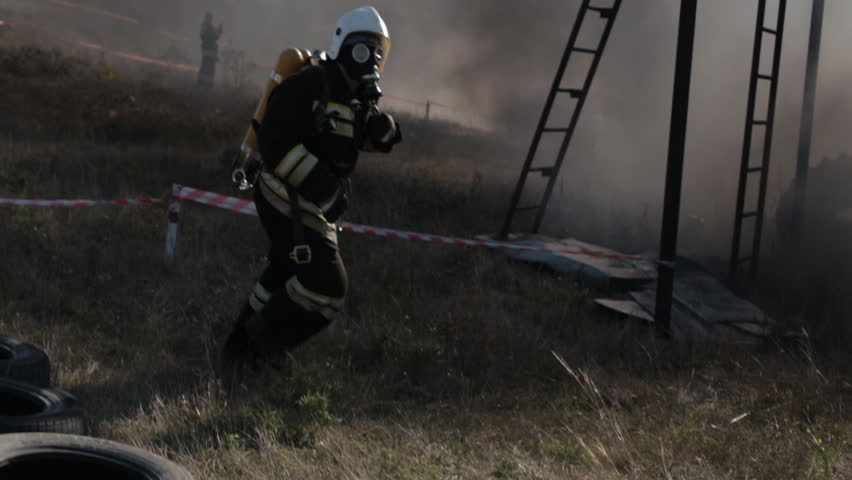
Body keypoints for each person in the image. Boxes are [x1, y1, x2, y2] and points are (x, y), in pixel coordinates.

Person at [220, 6, 402, 377]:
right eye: (364, 49)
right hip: (283, 194)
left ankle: (237, 351)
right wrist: (324, 187)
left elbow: (343, 140)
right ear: (346, 47)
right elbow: (275, 140)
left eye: (377, 52)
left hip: (309, 201)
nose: (371, 59)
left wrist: (384, 132)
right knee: (326, 283)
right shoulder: (311, 83)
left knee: (284, 270)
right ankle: (262, 351)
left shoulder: (354, 98)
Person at [197, 12, 223, 88]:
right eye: (209, 18)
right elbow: (205, 36)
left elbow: (216, 37)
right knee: (206, 67)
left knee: (210, 68)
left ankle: (207, 84)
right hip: (208, 50)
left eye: (210, 18)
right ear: (207, 18)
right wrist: (217, 32)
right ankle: (202, 84)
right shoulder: (205, 26)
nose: (210, 19)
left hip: (211, 51)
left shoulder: (209, 26)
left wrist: (219, 31)